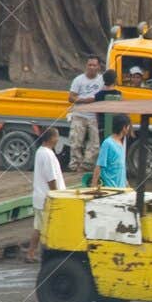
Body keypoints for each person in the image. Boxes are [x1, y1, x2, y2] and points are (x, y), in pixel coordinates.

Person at [27, 126, 65, 262]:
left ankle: (30, 253)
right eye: (56, 136)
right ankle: (47, 256)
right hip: (47, 198)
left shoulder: (40, 152)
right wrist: (56, 196)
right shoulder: (48, 155)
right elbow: (51, 178)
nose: (58, 139)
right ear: (51, 138)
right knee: (49, 230)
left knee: (38, 228)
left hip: (39, 197)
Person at [66, 56, 106, 169]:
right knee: (76, 142)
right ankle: (75, 166)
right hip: (79, 115)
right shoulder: (79, 80)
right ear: (86, 66)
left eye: (94, 65)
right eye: (89, 65)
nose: (92, 67)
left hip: (94, 116)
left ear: (98, 67)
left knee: (94, 144)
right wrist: (85, 100)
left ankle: (87, 165)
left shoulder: (102, 80)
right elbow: (71, 97)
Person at [95, 117, 131, 189]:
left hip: (121, 188)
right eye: (128, 126)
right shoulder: (107, 143)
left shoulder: (121, 143)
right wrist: (93, 186)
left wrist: (127, 185)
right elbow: (99, 166)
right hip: (111, 188)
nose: (129, 129)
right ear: (124, 127)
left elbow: (121, 167)